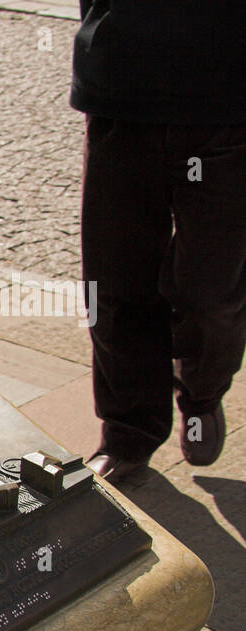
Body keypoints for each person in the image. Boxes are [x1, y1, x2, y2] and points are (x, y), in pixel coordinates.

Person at [71, 1, 246, 482]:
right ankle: (128, 434)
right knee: (113, 285)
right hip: (121, 92)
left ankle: (202, 392)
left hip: (229, 100)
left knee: (211, 293)